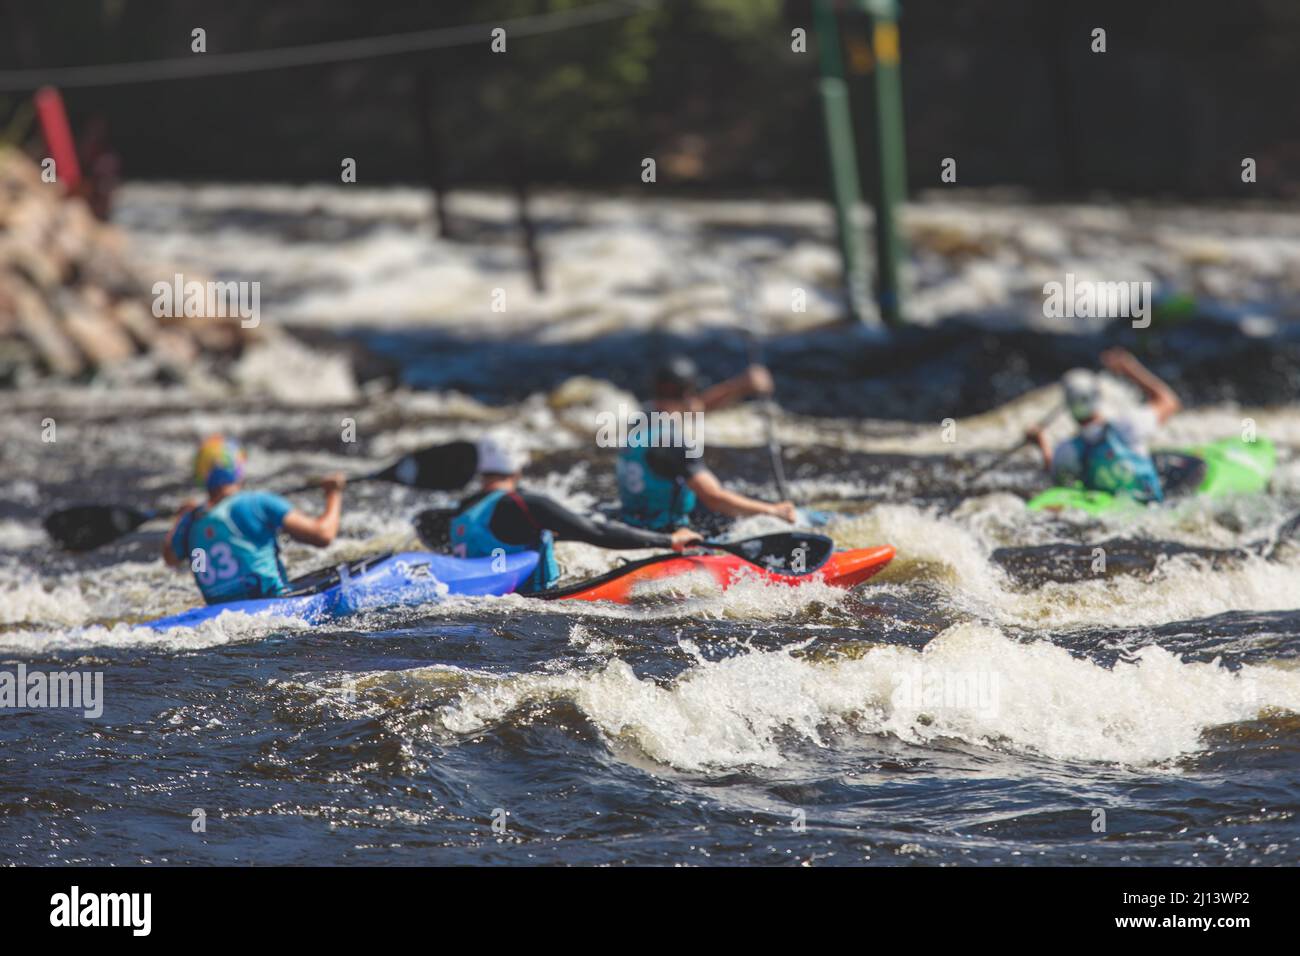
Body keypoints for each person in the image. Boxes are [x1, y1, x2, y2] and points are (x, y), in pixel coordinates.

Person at [451, 437, 703, 594]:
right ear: (517, 468)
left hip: (482, 603)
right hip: (534, 608)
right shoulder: (524, 505)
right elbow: (595, 532)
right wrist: (669, 541)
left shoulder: (460, 510)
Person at [616, 355, 797, 532]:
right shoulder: (676, 444)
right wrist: (773, 511)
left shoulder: (642, 418)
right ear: (688, 393)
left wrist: (740, 386)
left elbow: (698, 406)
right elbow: (713, 497)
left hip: (633, 520)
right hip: (668, 530)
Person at [162, 435, 346, 604]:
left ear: (200, 476)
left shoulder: (191, 519)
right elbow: (323, 535)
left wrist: (180, 519)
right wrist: (333, 494)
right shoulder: (257, 502)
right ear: (238, 468)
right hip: (274, 607)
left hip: (220, 615)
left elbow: (171, 559)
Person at [1026, 347, 1181, 502]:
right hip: (1150, 503)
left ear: (1069, 408)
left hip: (1110, 507)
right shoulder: (1130, 424)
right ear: (1099, 396)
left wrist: (1041, 442)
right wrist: (1130, 368)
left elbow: (1054, 469)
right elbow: (1169, 401)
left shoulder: (1067, 450)